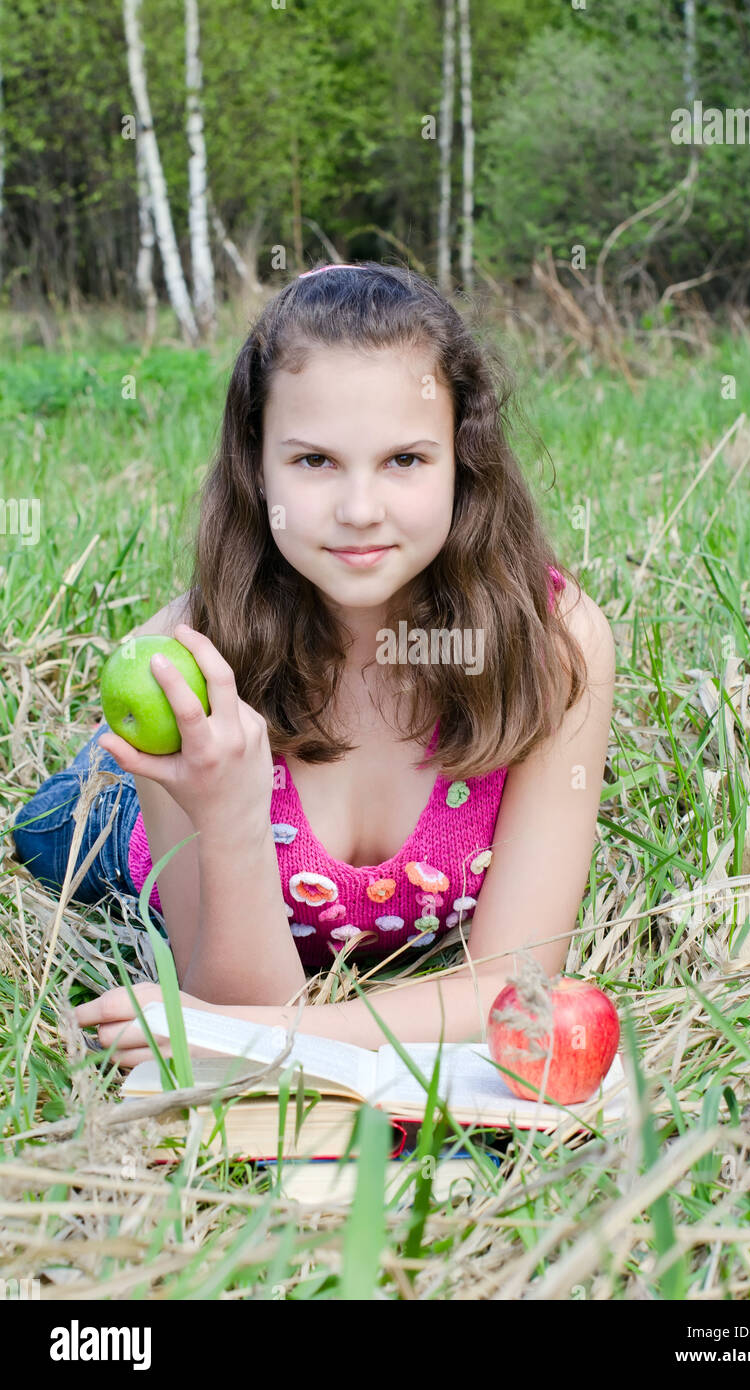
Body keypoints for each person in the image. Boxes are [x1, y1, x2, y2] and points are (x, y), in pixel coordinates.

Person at [12, 261, 616, 1067]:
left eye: (405, 460)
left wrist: (236, 1035)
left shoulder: (552, 643)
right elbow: (232, 997)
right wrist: (226, 816)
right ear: (255, 464)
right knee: (44, 832)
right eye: (314, 461)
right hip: (132, 818)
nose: (360, 510)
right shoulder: (184, 672)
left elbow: (514, 990)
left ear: (463, 459)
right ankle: (100, 778)